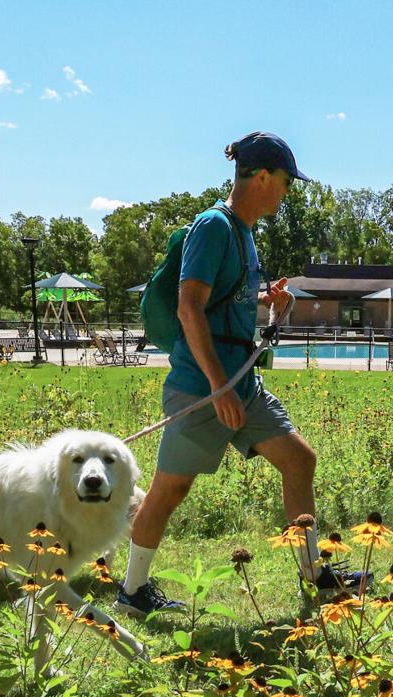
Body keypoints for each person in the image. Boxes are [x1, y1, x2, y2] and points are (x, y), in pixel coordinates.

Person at [117, 132, 371, 618]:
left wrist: (267, 302)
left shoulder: (244, 233)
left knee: (299, 461)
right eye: (285, 182)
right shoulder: (214, 226)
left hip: (242, 385)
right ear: (261, 177)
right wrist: (217, 387)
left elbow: (220, 301)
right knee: (169, 491)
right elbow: (188, 306)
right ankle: (132, 591)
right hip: (203, 386)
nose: (287, 192)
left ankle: (314, 576)